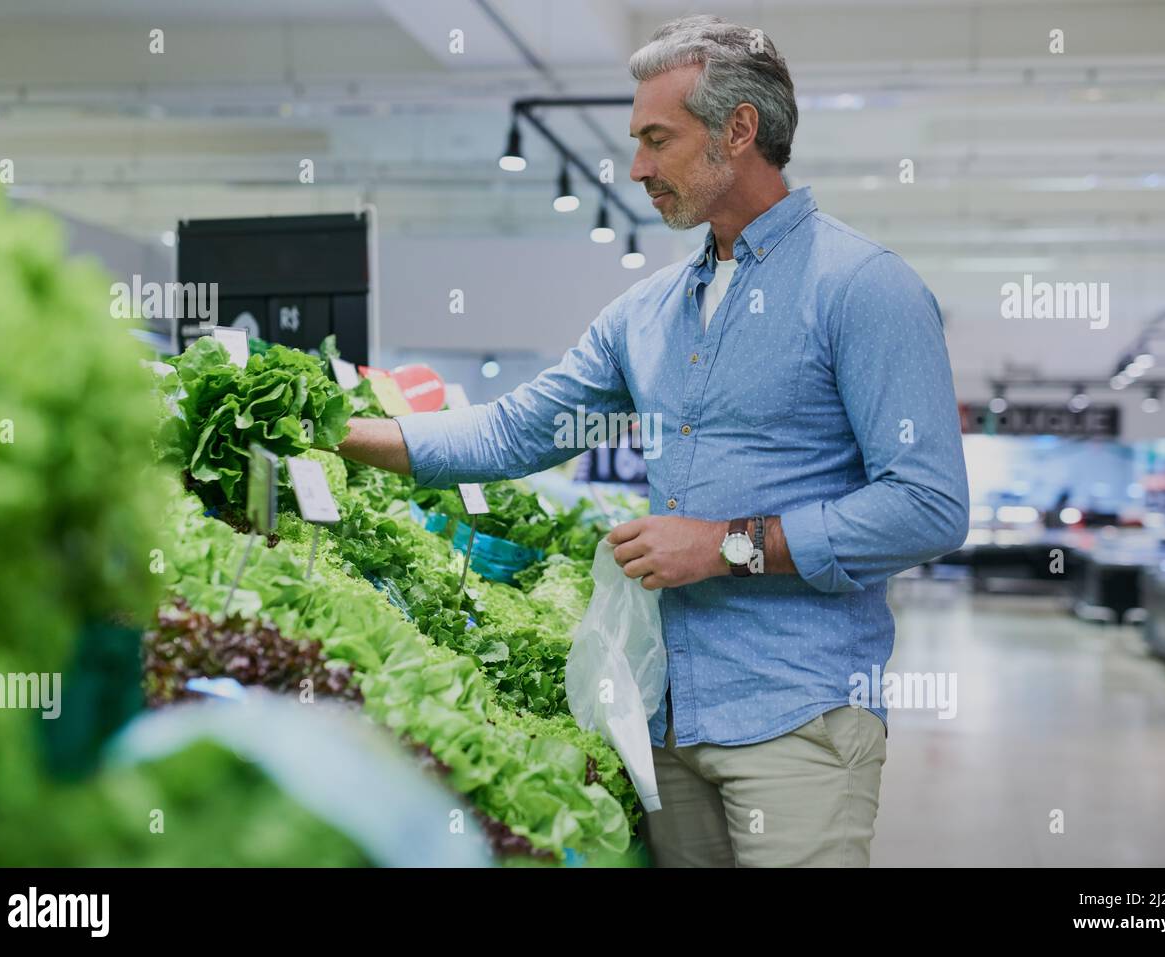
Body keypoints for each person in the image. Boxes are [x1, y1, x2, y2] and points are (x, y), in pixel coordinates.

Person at [338, 14, 969, 867]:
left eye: (656, 140)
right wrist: (329, 430)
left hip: (799, 721)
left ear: (738, 130)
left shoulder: (866, 290)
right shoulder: (646, 313)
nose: (636, 168)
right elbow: (515, 430)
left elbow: (928, 507)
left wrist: (724, 547)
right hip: (666, 724)